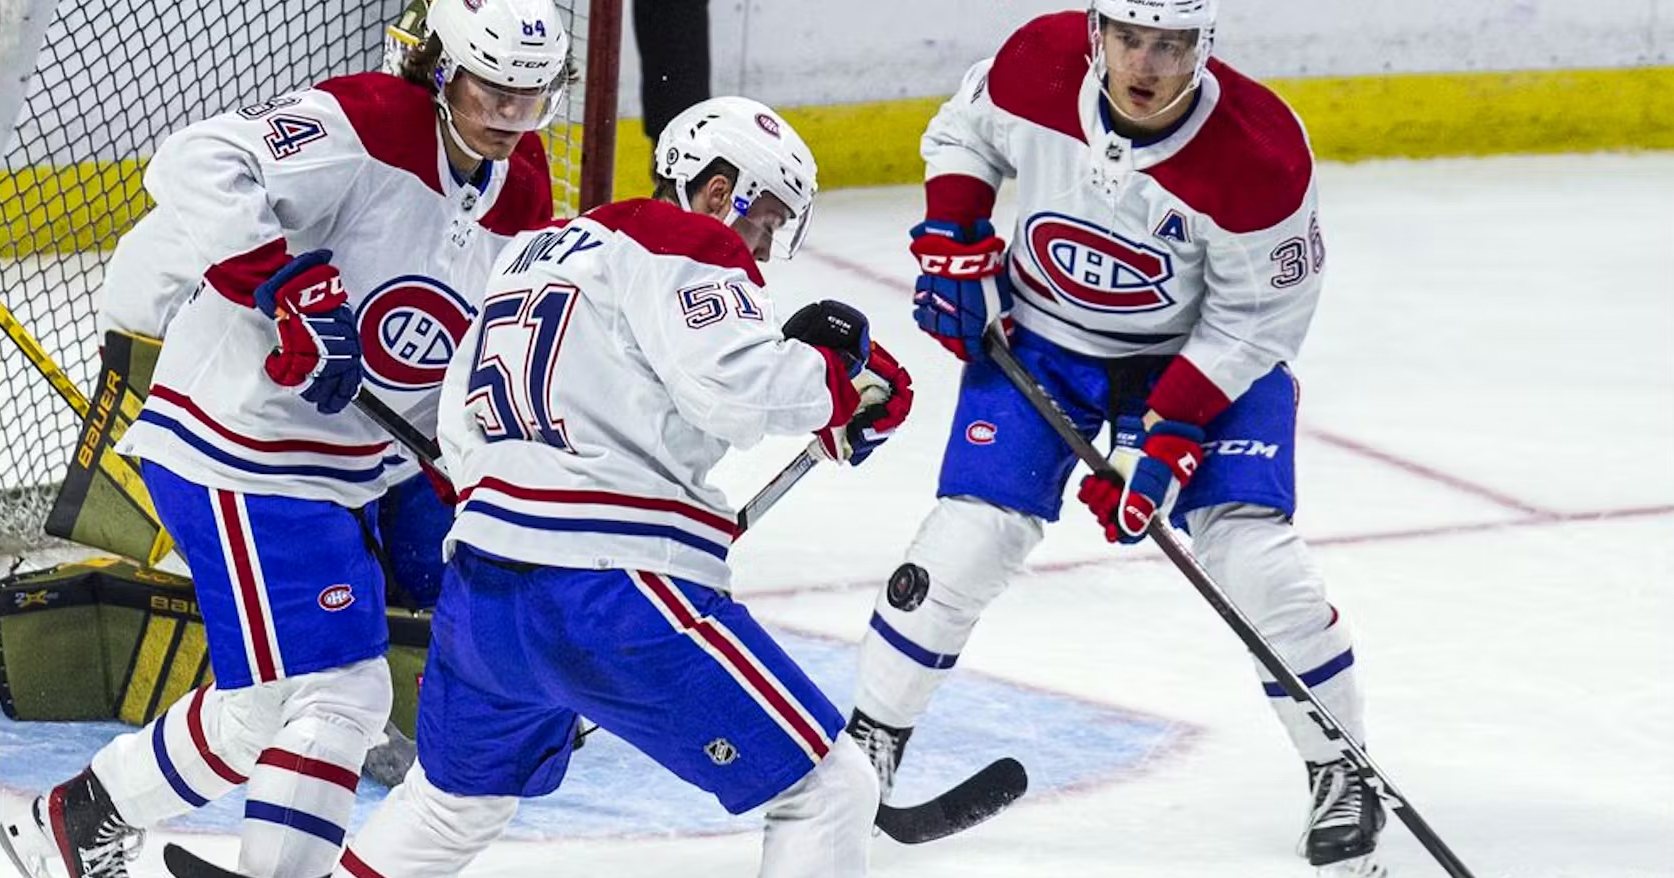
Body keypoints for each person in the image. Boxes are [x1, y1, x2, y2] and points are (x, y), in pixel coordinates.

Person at [0, 2, 569, 877]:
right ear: (440, 68)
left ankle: (69, 824)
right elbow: (195, 161)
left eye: (530, 100)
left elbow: (480, 336)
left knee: (260, 709)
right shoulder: (369, 119)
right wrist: (290, 286)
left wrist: (468, 461)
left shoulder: (523, 186)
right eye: (492, 90)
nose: (509, 118)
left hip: (355, 470)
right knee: (345, 691)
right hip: (242, 443)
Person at [843, 2, 1384, 875]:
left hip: (1197, 353)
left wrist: (1166, 436)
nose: (1146, 62)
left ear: (1205, 46)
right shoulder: (1037, 60)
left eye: (1171, 44)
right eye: (1129, 37)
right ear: (1096, 32)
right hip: (1044, 342)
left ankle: (1342, 768)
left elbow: (1257, 325)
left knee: (1256, 562)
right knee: (963, 543)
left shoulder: (1260, 153)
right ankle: (868, 745)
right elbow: (962, 134)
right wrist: (956, 236)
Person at [328, 96, 914, 878]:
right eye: (765, 217)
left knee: (446, 807)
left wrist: (824, 399)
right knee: (830, 789)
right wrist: (836, 381)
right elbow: (735, 391)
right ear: (717, 190)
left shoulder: (529, 257)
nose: (765, 247)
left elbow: (461, 435)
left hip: (482, 598)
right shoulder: (688, 238)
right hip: (612, 596)